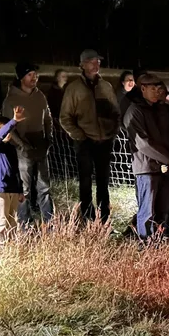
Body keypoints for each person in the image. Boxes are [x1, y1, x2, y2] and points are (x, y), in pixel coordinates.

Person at [59, 49, 121, 223]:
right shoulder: (74, 89)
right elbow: (65, 117)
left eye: (98, 61)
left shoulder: (106, 87)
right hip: (84, 143)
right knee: (85, 182)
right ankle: (87, 218)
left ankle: (104, 219)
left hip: (104, 142)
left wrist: (111, 133)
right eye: (92, 61)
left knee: (103, 182)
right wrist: (80, 136)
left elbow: (116, 112)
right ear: (82, 65)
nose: (96, 64)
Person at [123, 73, 169, 239]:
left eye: (159, 88)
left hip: (162, 168)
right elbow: (143, 143)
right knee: (147, 212)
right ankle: (145, 245)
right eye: (153, 88)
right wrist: (168, 158)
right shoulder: (134, 111)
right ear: (143, 89)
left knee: (162, 209)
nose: (157, 91)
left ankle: (157, 244)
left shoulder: (158, 109)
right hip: (146, 167)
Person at [2, 62, 54, 225]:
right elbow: (7, 127)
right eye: (30, 74)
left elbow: (48, 119)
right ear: (21, 77)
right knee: (24, 188)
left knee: (44, 186)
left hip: (40, 145)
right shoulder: (11, 100)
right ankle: (24, 223)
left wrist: (48, 138)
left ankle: (49, 221)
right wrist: (21, 145)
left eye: (35, 74)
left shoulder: (40, 96)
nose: (34, 77)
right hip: (22, 150)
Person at [0, 106, 26, 244]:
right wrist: (13, 121)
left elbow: (16, 170)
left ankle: (13, 247)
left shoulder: (11, 148)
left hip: (13, 189)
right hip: (1, 188)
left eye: (10, 131)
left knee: (13, 222)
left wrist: (20, 189)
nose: (8, 133)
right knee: (3, 222)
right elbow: (0, 136)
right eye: (5, 130)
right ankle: (4, 250)